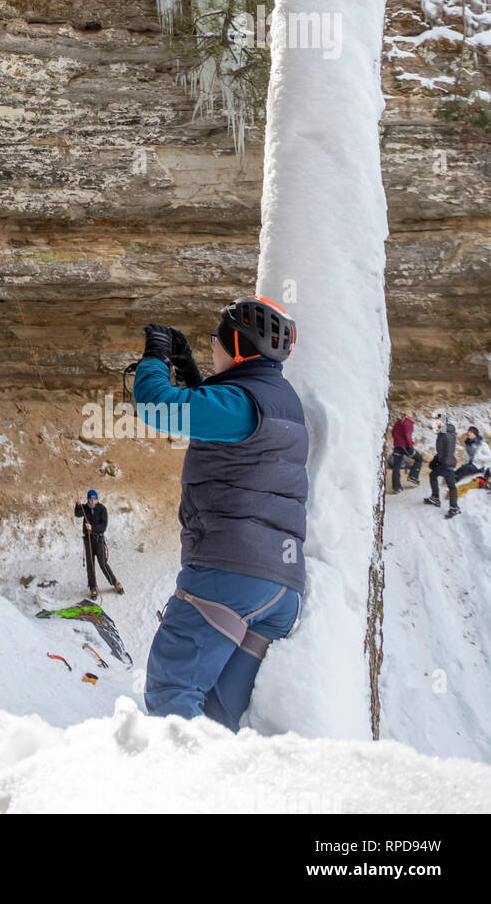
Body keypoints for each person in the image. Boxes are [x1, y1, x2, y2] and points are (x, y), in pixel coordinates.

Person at [132, 296, 306, 732]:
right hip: (280, 589)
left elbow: (157, 405)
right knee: (216, 715)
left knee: (171, 692)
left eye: (215, 340)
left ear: (236, 345)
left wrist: (154, 357)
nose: (211, 347)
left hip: (228, 577)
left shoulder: (241, 402)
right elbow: (220, 423)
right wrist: (190, 370)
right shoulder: (282, 400)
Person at [74, 489, 124, 599]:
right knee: (90, 565)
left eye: (94, 499)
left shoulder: (102, 509)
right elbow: (78, 513)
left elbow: (104, 526)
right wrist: (77, 505)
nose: (92, 501)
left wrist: (92, 528)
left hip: (99, 540)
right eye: (90, 499)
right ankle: (93, 587)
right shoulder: (85, 508)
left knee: (103, 563)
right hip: (88, 541)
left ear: (97, 499)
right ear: (88, 499)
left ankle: (114, 582)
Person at [424, 418, 460, 516]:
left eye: (438, 421)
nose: (436, 423)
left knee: (451, 486)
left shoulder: (447, 435)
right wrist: (434, 461)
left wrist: (445, 466)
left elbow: (449, 452)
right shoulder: (442, 433)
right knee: (432, 475)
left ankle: (454, 507)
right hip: (443, 462)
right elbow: (441, 451)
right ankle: (435, 497)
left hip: (448, 464)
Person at [389, 414, 422, 492]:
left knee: (396, 467)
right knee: (419, 458)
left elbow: (393, 433)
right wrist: (410, 446)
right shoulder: (408, 423)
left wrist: (398, 440)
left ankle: (396, 487)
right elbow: (407, 435)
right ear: (409, 416)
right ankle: (413, 476)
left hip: (397, 446)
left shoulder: (397, 422)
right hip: (405, 447)